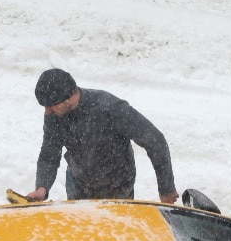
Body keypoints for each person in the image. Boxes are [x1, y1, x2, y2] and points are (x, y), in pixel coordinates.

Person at [27, 69, 178, 204]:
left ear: (69, 97)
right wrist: (42, 187)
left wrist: (166, 189)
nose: (47, 112)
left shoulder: (109, 108)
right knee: (80, 232)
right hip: (78, 184)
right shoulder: (55, 115)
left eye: (51, 105)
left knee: (115, 232)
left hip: (117, 189)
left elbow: (155, 141)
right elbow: (49, 153)